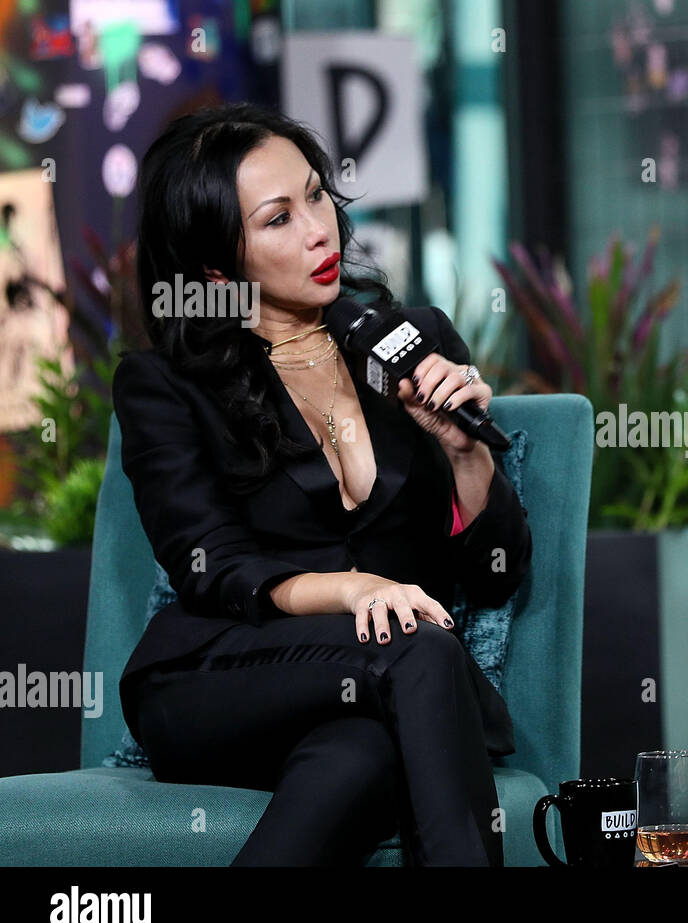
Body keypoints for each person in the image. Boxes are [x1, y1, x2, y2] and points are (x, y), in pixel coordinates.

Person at [113, 102, 532, 866]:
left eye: (316, 195)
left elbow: (495, 572)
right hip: (223, 680)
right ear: (216, 266)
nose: (318, 229)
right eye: (277, 219)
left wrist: (465, 453)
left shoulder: (413, 342)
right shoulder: (165, 385)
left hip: (378, 692)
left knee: (361, 757)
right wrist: (354, 589)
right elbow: (213, 568)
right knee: (422, 650)